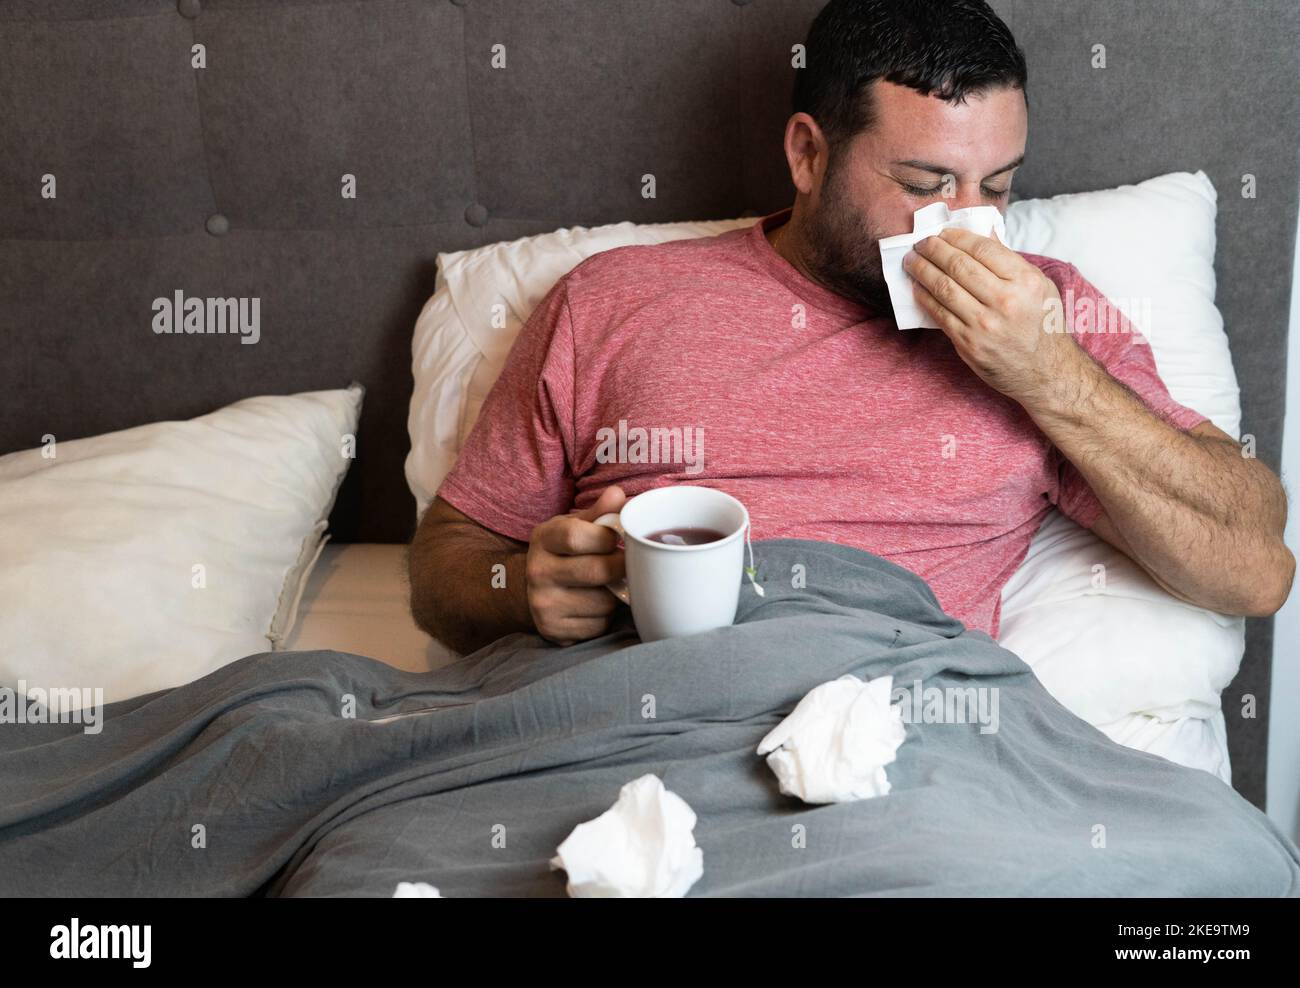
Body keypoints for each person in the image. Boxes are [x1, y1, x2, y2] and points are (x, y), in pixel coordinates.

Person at [409, 0, 1292, 654]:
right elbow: (446, 565)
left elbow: (1253, 568)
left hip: (896, 728)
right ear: (807, 155)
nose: (969, 225)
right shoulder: (614, 298)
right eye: (924, 184)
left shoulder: (1045, 314)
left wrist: (1049, 376)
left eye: (998, 186)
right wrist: (520, 586)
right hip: (640, 706)